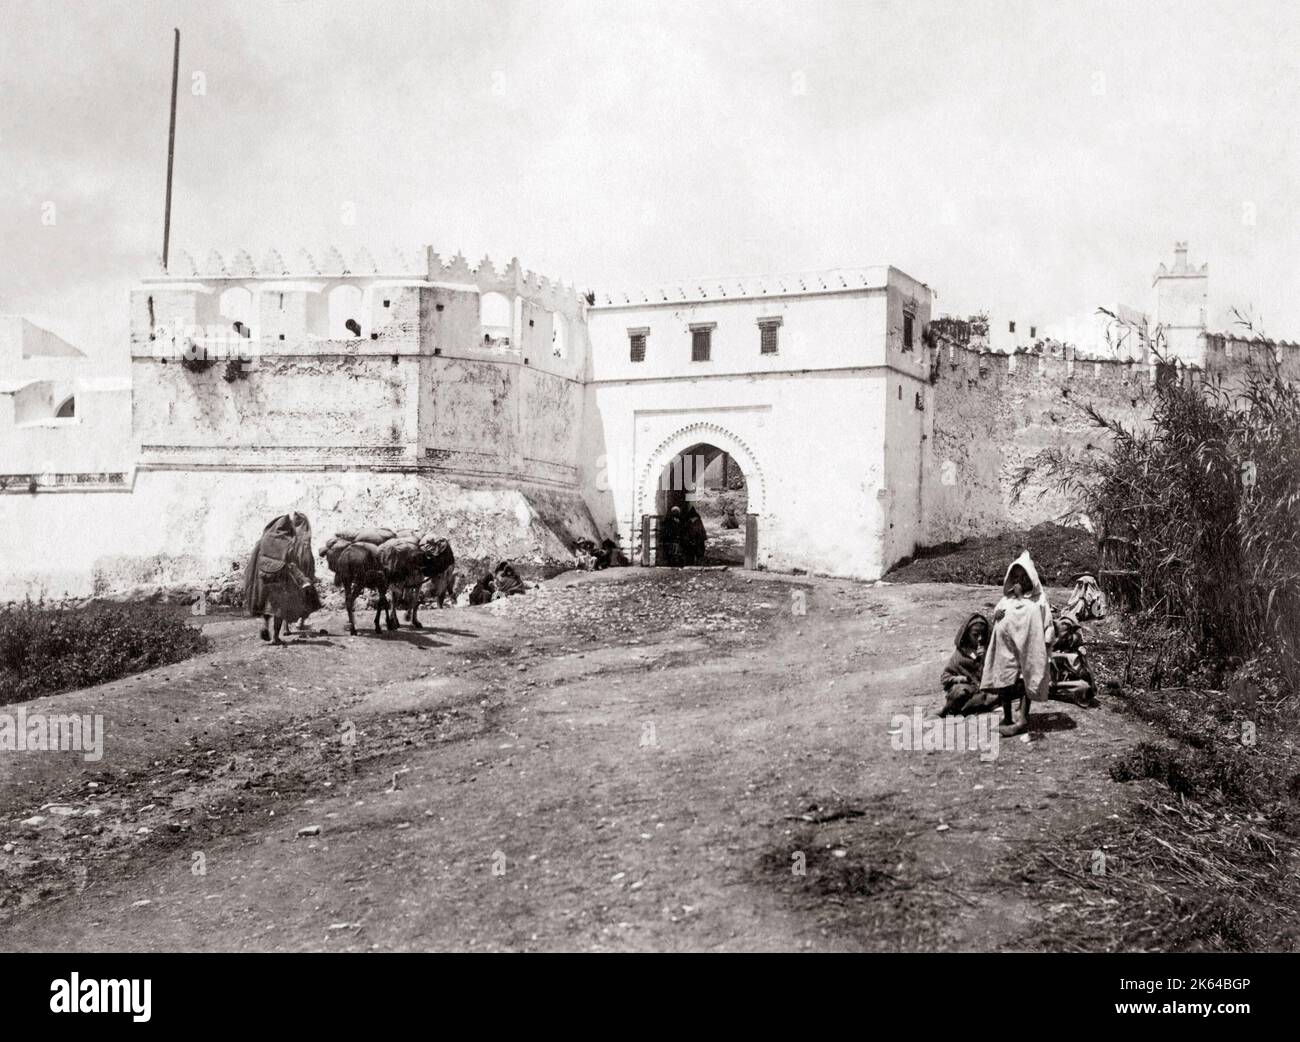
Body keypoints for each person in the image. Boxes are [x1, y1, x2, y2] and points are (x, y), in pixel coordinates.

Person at [980, 551, 1054, 736]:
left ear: (1031, 579)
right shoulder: (1007, 598)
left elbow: (1048, 624)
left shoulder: (1039, 600)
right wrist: (996, 615)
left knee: (1025, 680)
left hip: (1029, 649)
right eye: (1016, 577)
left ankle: (1022, 718)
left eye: (1024, 577)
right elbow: (999, 611)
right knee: (1004, 678)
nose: (1020, 581)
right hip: (1007, 648)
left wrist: (1045, 646)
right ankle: (1007, 716)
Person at [243, 512, 321, 645]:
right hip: (279, 579)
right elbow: (292, 564)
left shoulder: (263, 540)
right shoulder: (288, 542)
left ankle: (265, 626)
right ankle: (276, 637)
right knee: (279, 608)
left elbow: (254, 561)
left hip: (263, 578)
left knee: (267, 604)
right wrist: (302, 579)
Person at [939, 613, 994, 716]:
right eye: (975, 635)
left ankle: (968, 709)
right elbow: (945, 677)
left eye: (983, 634)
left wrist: (985, 657)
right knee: (959, 692)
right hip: (969, 691)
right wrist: (958, 678)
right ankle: (954, 709)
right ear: (967, 634)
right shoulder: (960, 654)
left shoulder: (991, 650)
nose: (980, 638)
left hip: (986, 691)